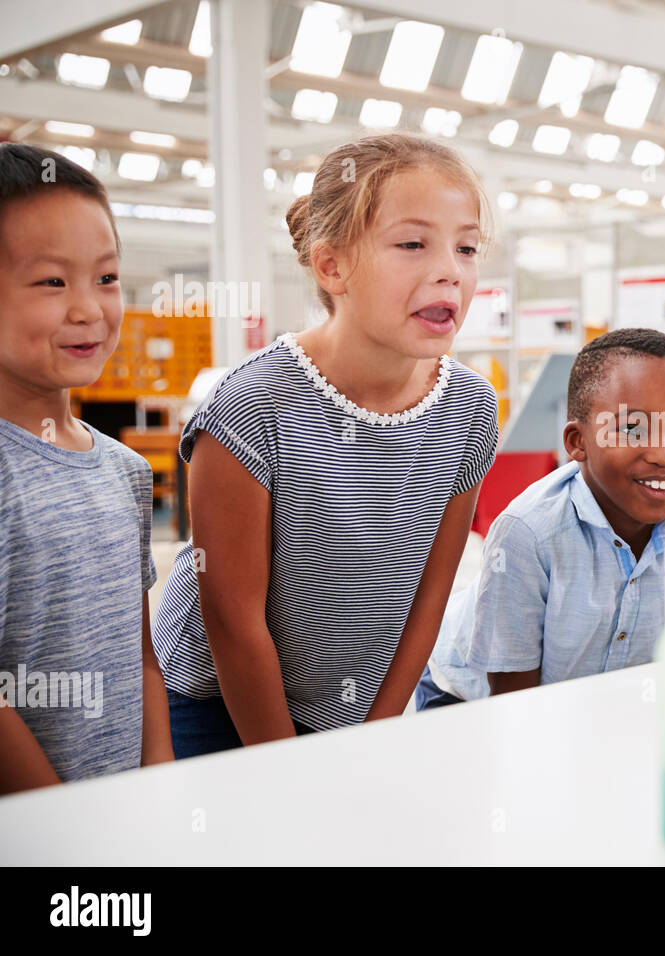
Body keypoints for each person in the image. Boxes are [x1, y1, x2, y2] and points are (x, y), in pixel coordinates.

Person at [152, 133, 499, 756]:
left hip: (354, 705)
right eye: (413, 244)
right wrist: (291, 770)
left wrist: (375, 731)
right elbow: (232, 619)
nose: (450, 268)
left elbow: (430, 593)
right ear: (332, 265)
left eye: (467, 247)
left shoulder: (470, 410)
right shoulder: (252, 406)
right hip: (211, 703)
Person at [418, 328, 665, 705]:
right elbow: (513, 706)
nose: (663, 453)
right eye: (633, 429)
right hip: (471, 697)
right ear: (577, 442)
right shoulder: (528, 532)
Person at [0, 143, 172, 792]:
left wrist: (157, 776)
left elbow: (142, 653)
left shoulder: (125, 471)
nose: (88, 309)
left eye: (105, 278)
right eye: (52, 281)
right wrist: (66, 820)